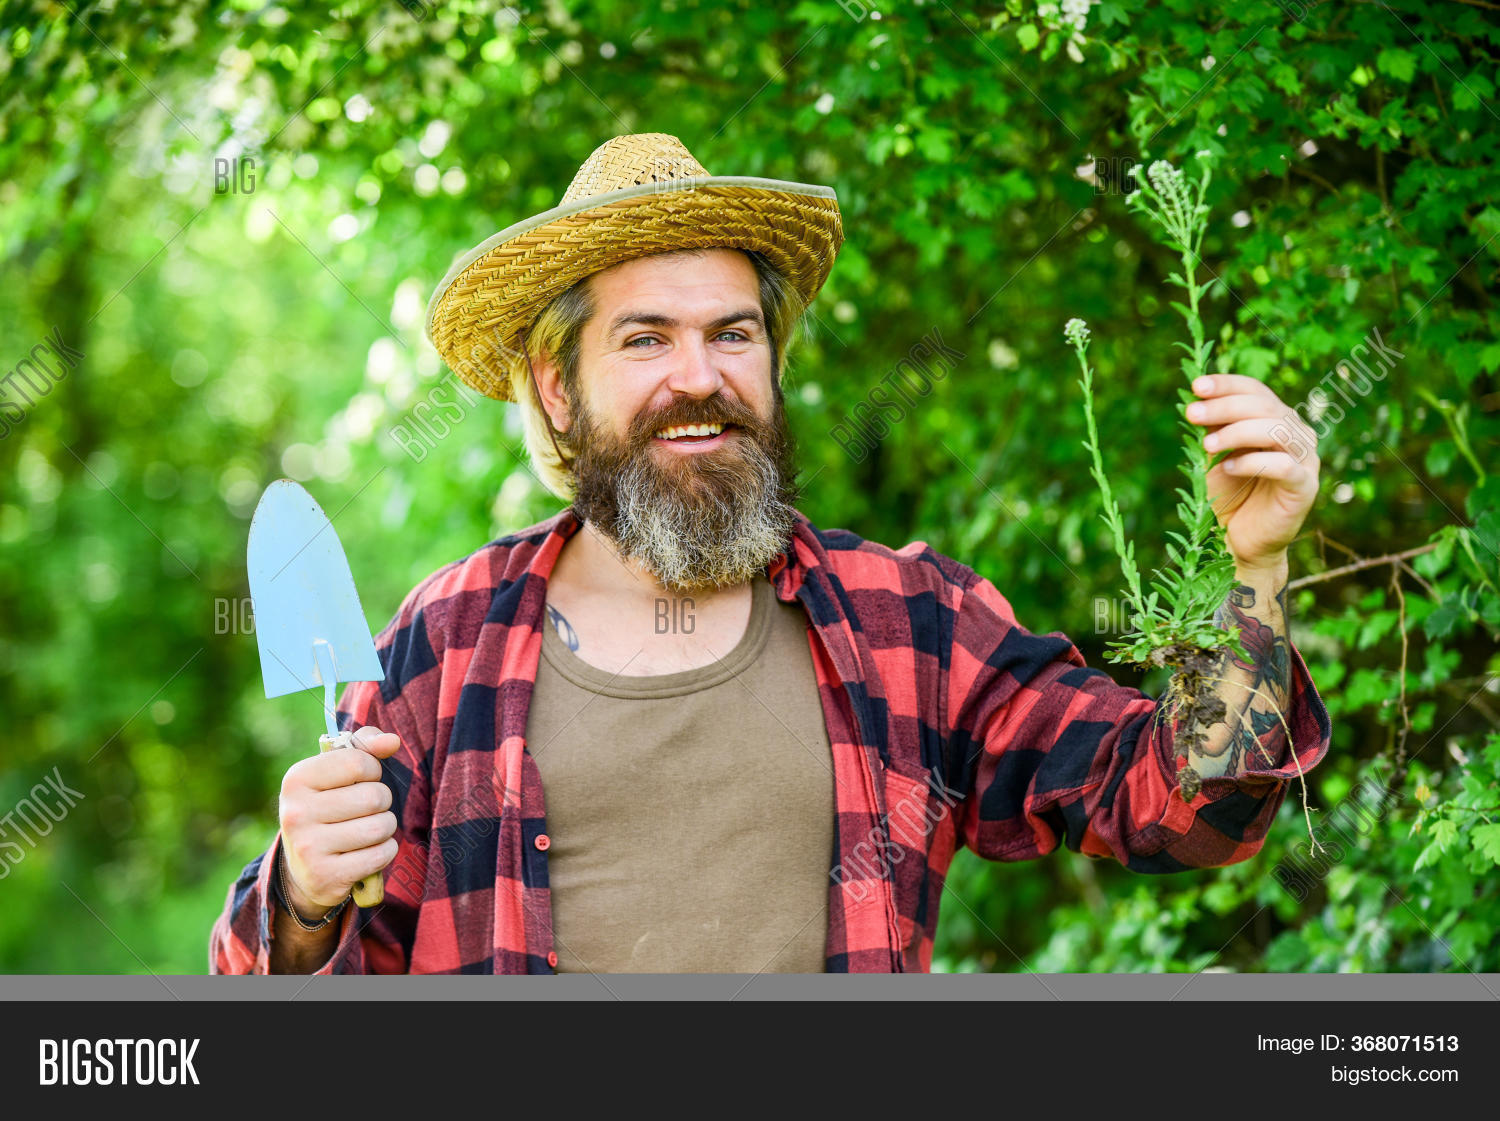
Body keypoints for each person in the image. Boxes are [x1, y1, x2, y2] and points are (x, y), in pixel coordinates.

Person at [210, 133, 1331, 975]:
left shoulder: (909, 622)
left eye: (732, 332)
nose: (698, 376)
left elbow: (1184, 809)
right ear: (556, 388)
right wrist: (303, 894)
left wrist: (1258, 571)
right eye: (645, 338)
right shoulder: (444, 644)